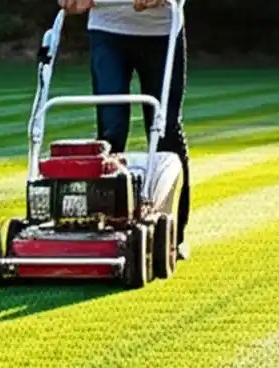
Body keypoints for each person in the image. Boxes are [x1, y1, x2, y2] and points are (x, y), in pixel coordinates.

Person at [59, 0, 191, 258]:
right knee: (111, 133)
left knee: (166, 133)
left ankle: (176, 235)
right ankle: (104, 231)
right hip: (108, 30)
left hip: (162, 31)